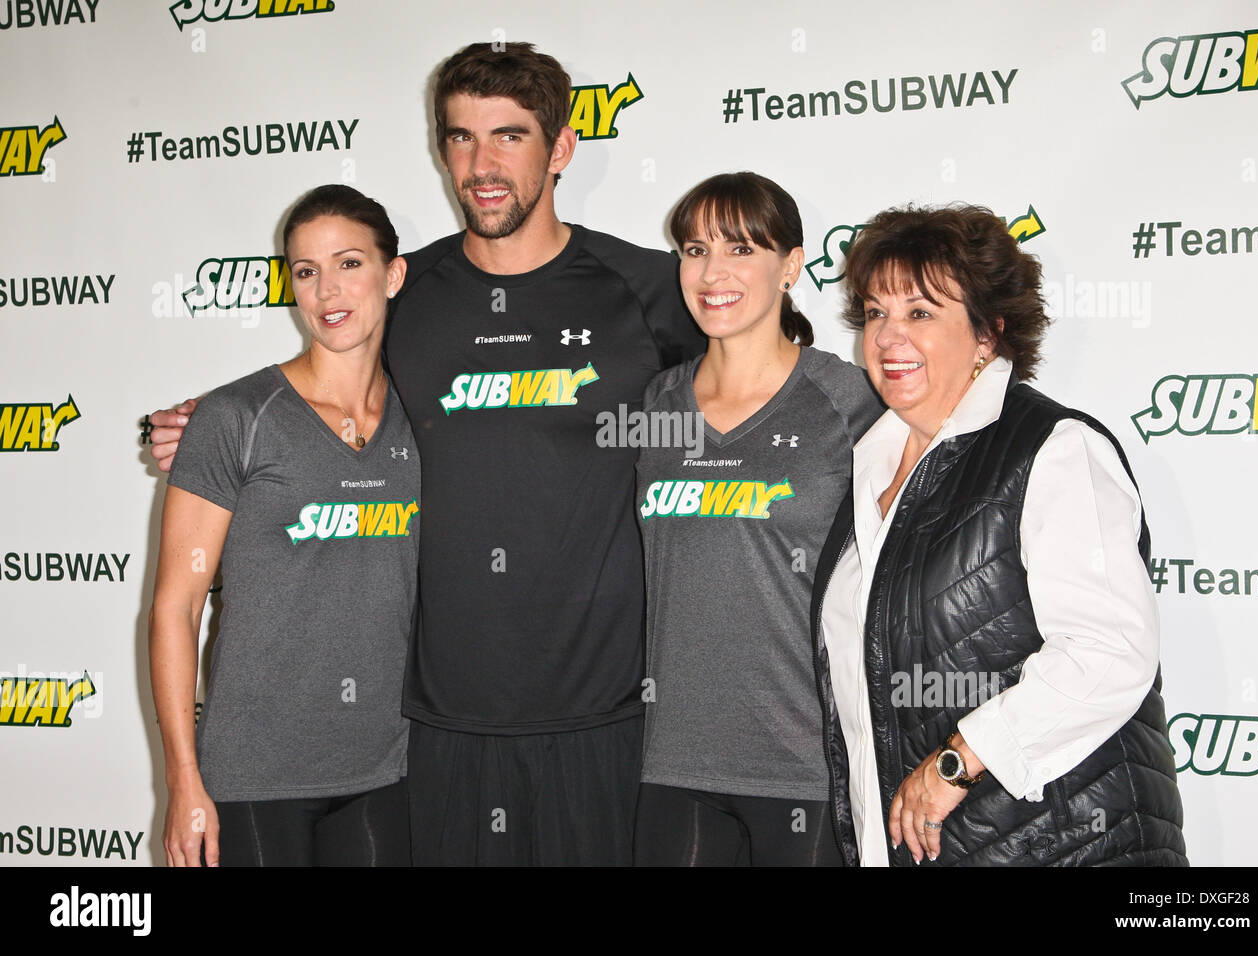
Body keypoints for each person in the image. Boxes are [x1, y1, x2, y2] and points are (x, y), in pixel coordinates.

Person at [145, 42, 703, 865]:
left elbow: (756, 384)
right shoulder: (406, 293)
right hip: (433, 734)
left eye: (508, 136)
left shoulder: (651, 288)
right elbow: (316, 384)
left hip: (609, 719)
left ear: (561, 148)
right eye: (459, 137)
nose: (481, 164)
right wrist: (205, 423)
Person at [811, 204, 1187, 866]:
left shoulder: (1053, 450)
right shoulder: (872, 463)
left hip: (1064, 845)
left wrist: (959, 762)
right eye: (876, 313)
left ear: (988, 333)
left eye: (921, 313)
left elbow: (1110, 651)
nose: (888, 337)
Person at [148, 184, 416, 866]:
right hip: (253, 772)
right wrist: (182, 780)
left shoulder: (424, 419)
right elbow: (175, 610)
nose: (328, 289)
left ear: (394, 273)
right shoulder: (236, 417)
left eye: (350, 263)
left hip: (385, 766)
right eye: (306, 270)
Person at [634, 172, 881, 865]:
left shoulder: (850, 401)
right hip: (674, 763)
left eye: (741, 250)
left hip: (807, 765)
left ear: (791, 266)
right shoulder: (655, 404)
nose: (712, 273)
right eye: (694, 249)